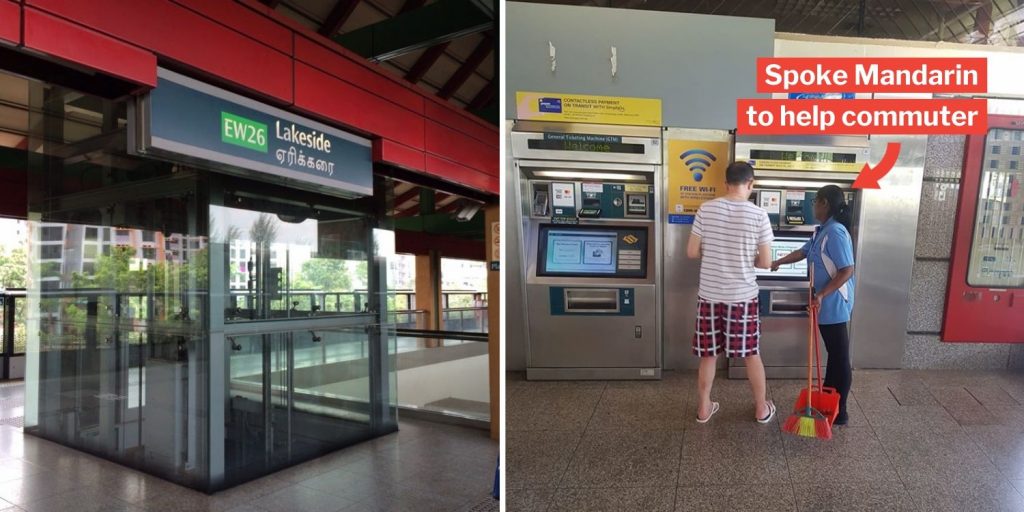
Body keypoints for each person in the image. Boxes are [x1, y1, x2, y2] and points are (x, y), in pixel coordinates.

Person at [687, 161, 775, 424]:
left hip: (710, 296)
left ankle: (704, 408)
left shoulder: (706, 209)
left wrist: (716, 253)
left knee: (709, 354)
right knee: (750, 354)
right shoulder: (759, 215)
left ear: (726, 184)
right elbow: (766, 262)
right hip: (742, 298)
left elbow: (691, 252)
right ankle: (761, 408)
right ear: (751, 184)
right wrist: (746, 257)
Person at [770, 184, 856, 425]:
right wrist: (778, 262)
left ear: (825, 203)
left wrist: (822, 295)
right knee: (833, 353)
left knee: (839, 357)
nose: (813, 205)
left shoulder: (836, 232)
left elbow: (847, 270)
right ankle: (830, 399)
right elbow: (802, 252)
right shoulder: (822, 231)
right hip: (824, 303)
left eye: (815, 201)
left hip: (834, 302)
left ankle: (842, 411)